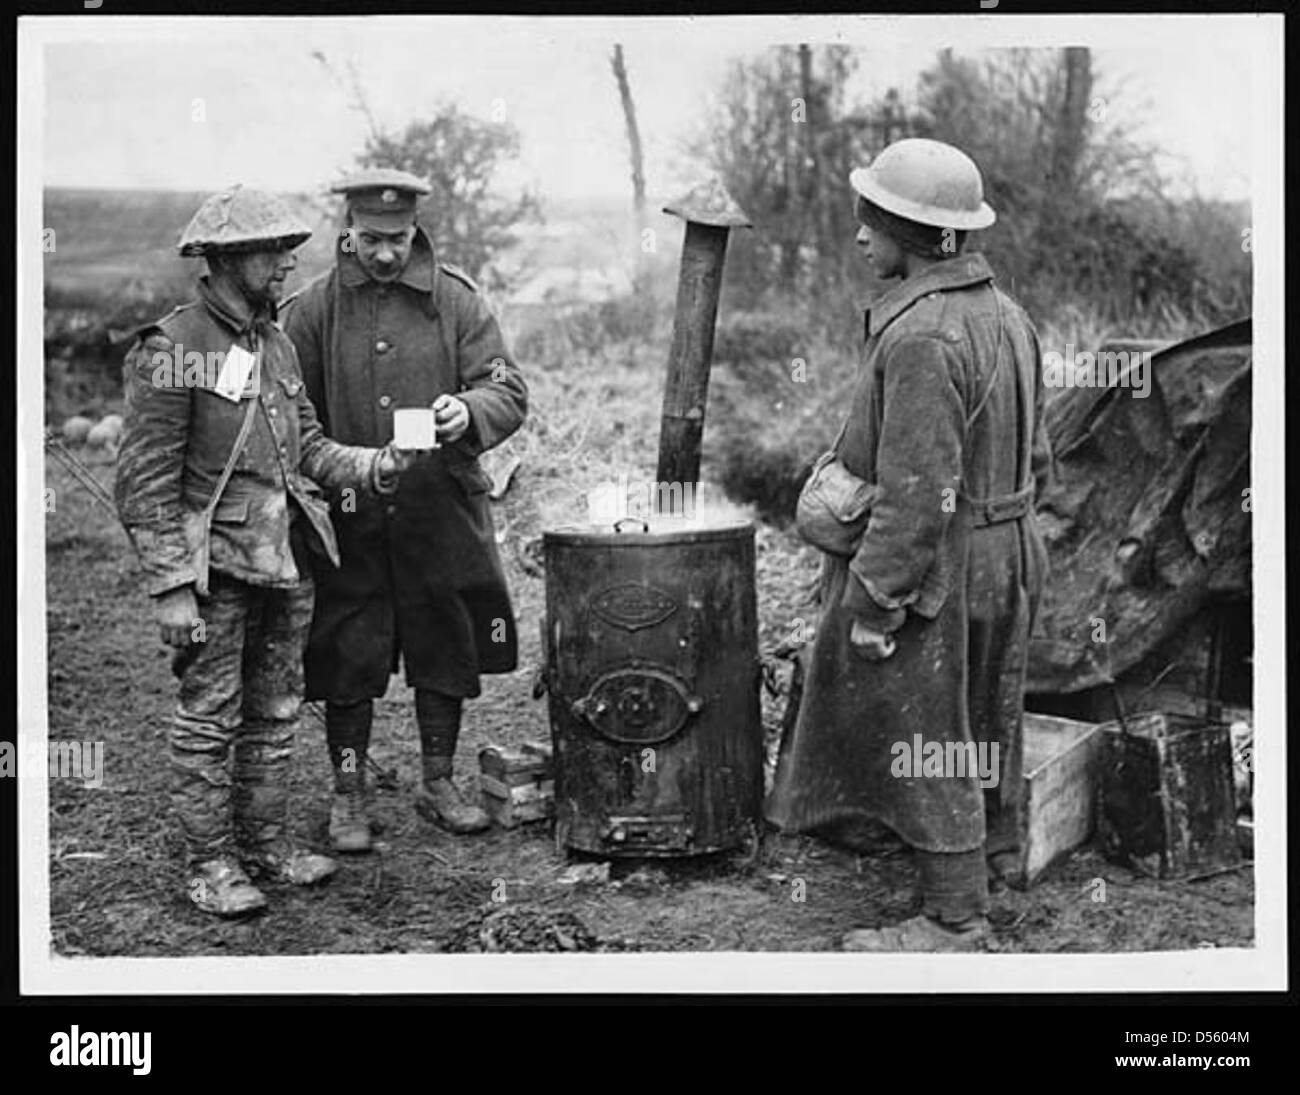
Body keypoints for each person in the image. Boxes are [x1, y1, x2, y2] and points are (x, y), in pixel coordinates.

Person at [765, 138, 1053, 952]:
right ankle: (991, 857)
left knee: (928, 726)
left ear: (917, 235)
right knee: (982, 710)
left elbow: (918, 497)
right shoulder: (1010, 315)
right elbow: (1041, 461)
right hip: (1010, 549)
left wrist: (876, 600)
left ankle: (956, 918)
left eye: (874, 218)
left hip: (945, 564)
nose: (859, 233)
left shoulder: (922, 336)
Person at [115, 186, 410, 917]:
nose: (286, 263)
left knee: (277, 710)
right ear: (225, 257)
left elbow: (304, 444)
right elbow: (147, 477)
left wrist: (372, 466)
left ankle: (267, 847)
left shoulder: (273, 341)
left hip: (287, 560)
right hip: (215, 569)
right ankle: (211, 864)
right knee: (209, 716)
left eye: (287, 248)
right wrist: (172, 588)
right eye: (270, 250)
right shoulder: (175, 348)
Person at [281, 168, 528, 851]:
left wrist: (468, 409)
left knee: (444, 641)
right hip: (348, 512)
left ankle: (438, 781)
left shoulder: (457, 302)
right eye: (371, 238)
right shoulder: (313, 309)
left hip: (439, 510)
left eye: (398, 237)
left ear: (416, 228)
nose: (386, 253)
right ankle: (348, 794)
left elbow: (508, 388)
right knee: (345, 653)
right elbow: (288, 408)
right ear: (349, 232)